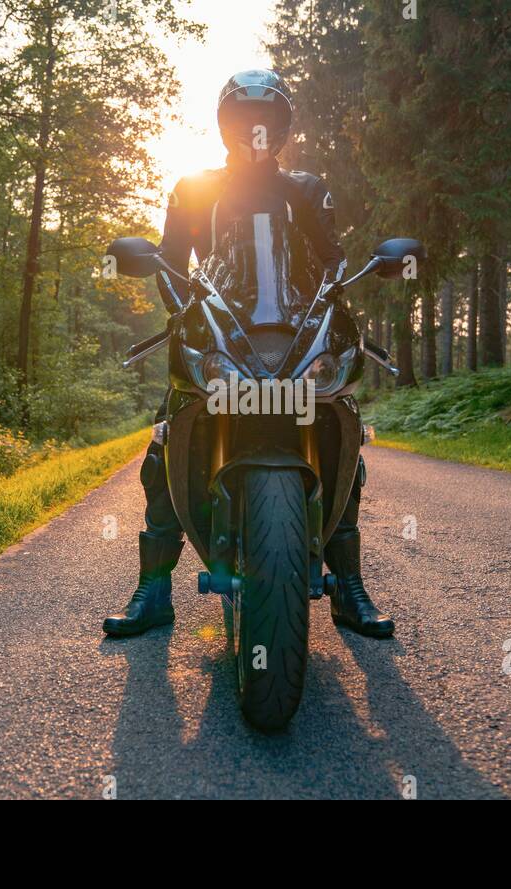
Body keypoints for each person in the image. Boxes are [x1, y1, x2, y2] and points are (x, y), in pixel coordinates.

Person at [103, 69, 394, 640]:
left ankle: (349, 585)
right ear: (224, 125)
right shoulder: (193, 189)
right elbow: (169, 260)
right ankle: (153, 588)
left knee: (343, 428)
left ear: (282, 127)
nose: (254, 130)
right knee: (165, 436)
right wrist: (188, 319)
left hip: (291, 333)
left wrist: (331, 312)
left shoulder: (307, 189)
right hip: (218, 334)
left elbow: (331, 264)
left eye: (267, 120)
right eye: (242, 120)